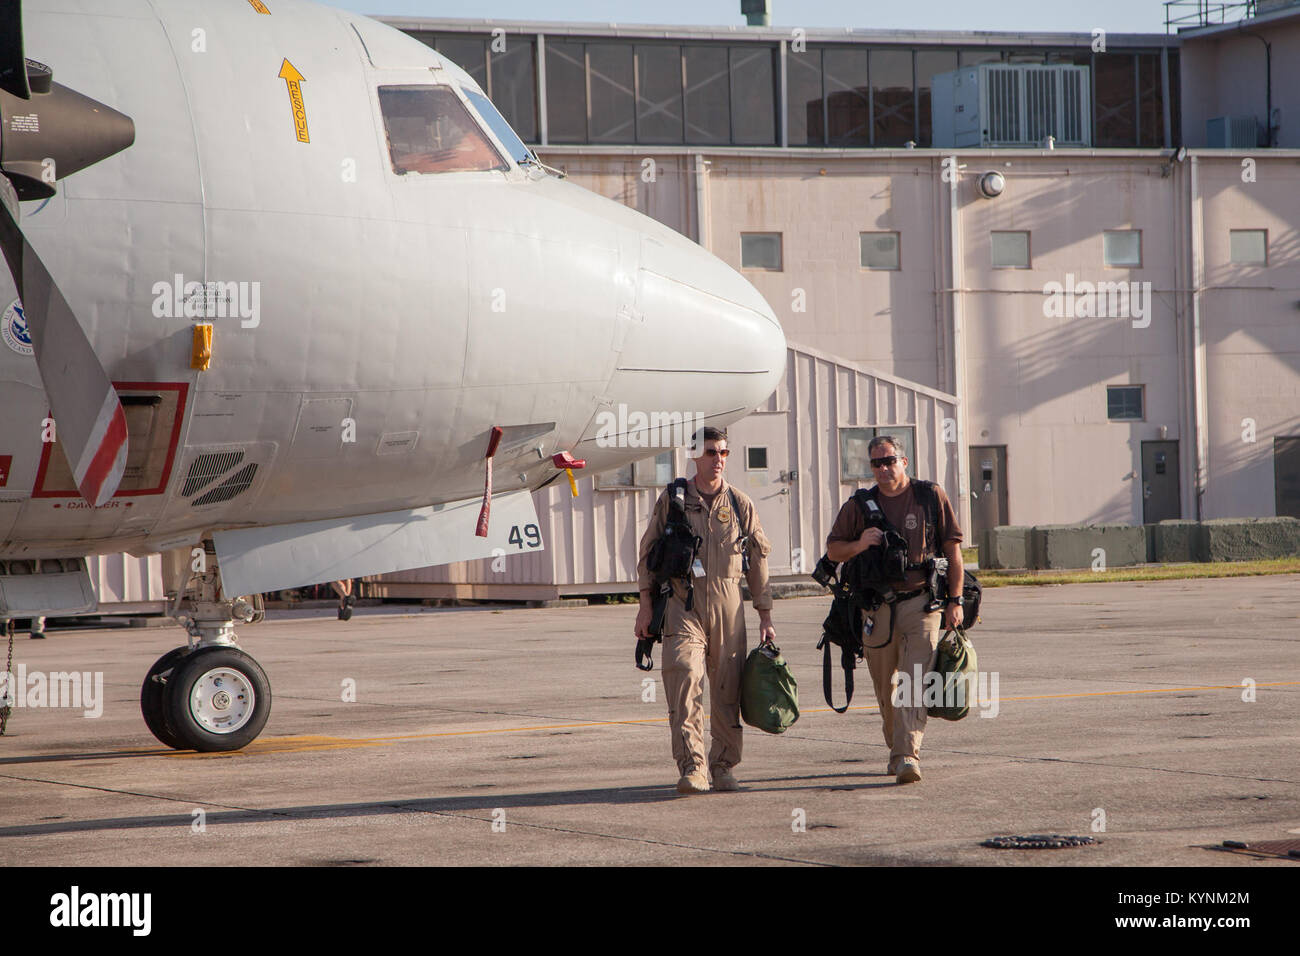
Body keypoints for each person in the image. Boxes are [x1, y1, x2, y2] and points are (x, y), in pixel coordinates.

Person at [635, 427, 774, 794]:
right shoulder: (674, 500)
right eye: (711, 452)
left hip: (729, 605)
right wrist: (645, 606)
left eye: (724, 453)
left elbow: (758, 561)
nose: (718, 460)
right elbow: (648, 554)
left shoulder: (741, 504)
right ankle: (693, 766)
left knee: (727, 692)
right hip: (684, 603)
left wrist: (765, 614)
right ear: (695, 456)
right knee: (684, 678)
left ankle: (724, 766)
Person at [825, 435, 964, 785]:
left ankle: (907, 756)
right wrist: (860, 543)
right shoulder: (859, 505)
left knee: (914, 681)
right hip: (876, 606)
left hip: (923, 601)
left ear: (905, 461)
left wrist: (955, 600)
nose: (884, 468)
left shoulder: (930, 496)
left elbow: (953, 549)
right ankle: (896, 747)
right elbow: (833, 552)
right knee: (886, 686)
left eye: (890, 461)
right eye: (877, 463)